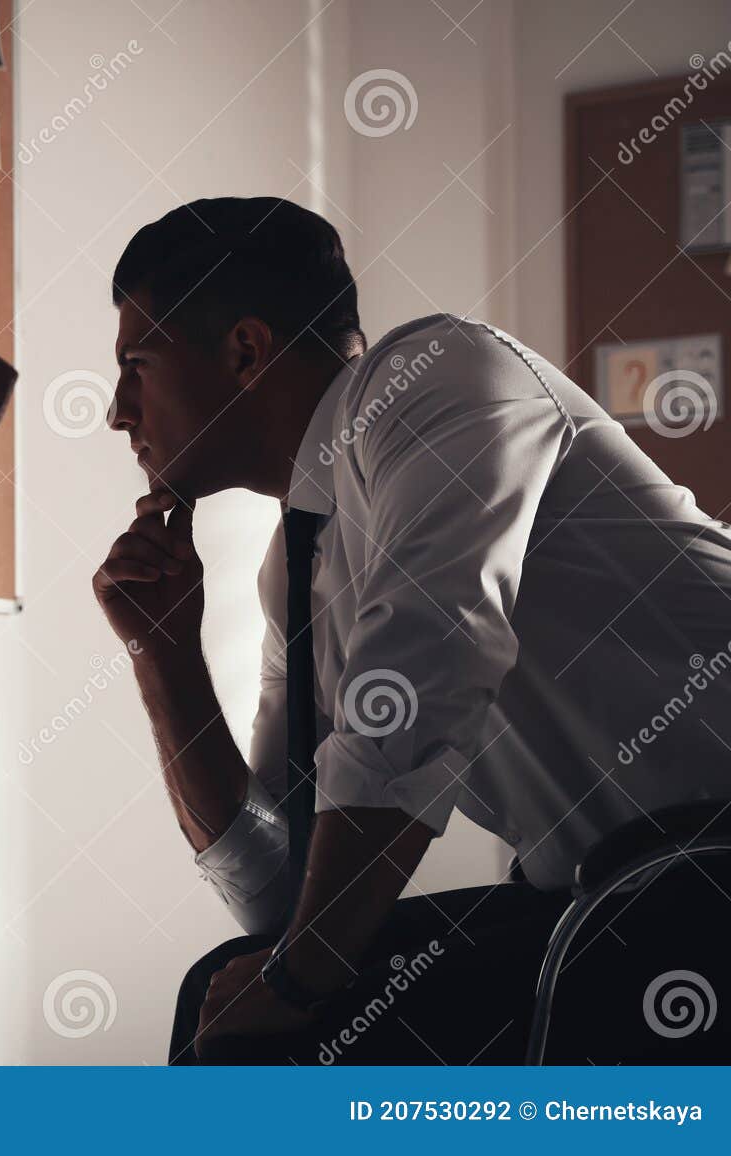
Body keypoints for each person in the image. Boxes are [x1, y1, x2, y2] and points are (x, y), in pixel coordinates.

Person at [97, 196, 731, 1064]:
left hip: (698, 868)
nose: (117, 411)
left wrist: (298, 981)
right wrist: (164, 660)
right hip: (622, 894)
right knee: (224, 989)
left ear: (245, 351)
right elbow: (280, 896)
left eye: (137, 364)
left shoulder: (441, 378)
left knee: (269, 1031)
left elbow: (428, 672)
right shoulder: (298, 563)